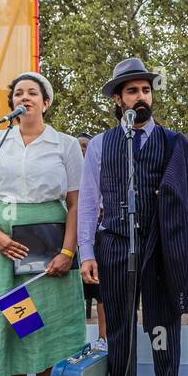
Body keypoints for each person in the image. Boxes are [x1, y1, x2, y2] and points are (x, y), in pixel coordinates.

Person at [77, 57, 188, 376]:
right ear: (119, 99)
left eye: (146, 89)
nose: (141, 96)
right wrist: (86, 251)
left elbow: (185, 202)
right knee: (118, 329)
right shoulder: (102, 144)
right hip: (115, 245)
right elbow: (88, 202)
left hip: (160, 249)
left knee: (162, 327)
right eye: (133, 90)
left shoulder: (173, 142)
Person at [0, 72, 86, 376]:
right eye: (18, 92)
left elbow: (77, 201)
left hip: (47, 242)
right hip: (3, 246)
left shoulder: (64, 144)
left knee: (44, 320)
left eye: (33, 92)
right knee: (15, 317)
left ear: (46, 102)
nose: (25, 97)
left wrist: (68, 251)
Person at [76, 132, 107, 351]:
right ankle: (72, 340)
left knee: (101, 292)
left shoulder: (99, 169)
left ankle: (104, 337)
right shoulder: (68, 171)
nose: (82, 150)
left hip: (98, 235)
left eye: (85, 146)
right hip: (69, 237)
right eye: (79, 147)